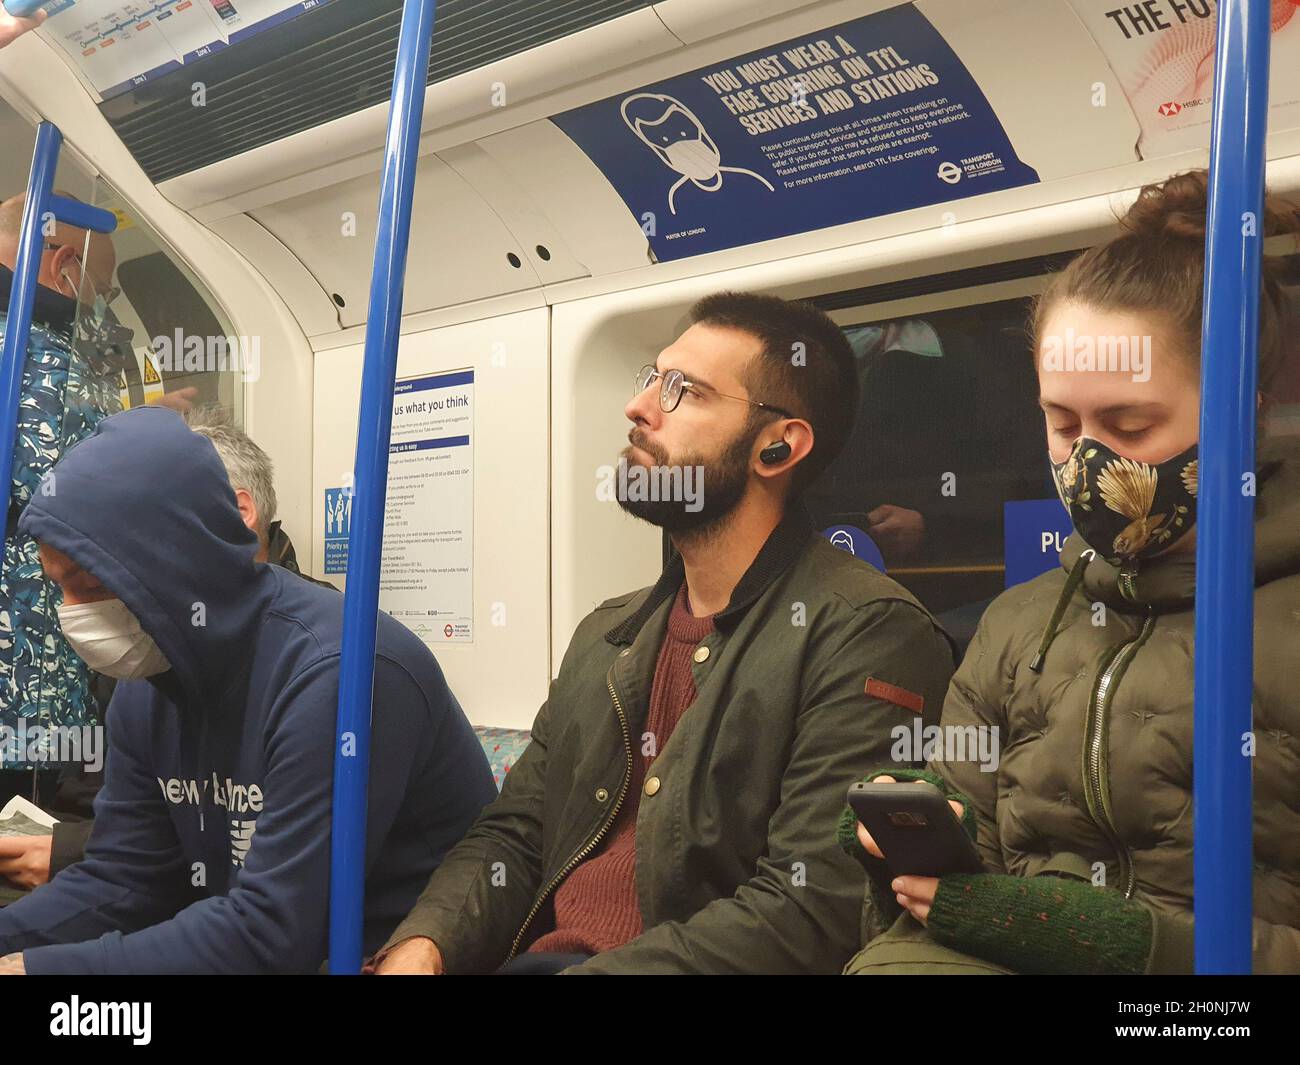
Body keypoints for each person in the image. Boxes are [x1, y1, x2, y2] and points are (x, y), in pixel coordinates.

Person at [374, 290, 957, 975]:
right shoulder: (609, 634)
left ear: (778, 446)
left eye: (684, 390)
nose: (641, 405)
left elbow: (809, 910)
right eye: (650, 376)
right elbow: (518, 834)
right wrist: (423, 946)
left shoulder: (864, 632)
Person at [840, 170, 1300, 975]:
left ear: (1243, 409)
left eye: (1129, 423)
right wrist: (908, 863)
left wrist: (1135, 947)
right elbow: (964, 875)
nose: (1088, 461)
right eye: (1062, 425)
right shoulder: (1017, 624)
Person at [0, 405, 496, 974]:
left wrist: (37, 971)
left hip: (384, 954)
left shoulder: (337, 670)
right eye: (59, 588)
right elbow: (124, 880)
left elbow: (273, 931)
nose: (74, 614)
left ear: (171, 563)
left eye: (89, 585)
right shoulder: (148, 680)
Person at [0, 408, 333, 890]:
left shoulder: (319, 652)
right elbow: (125, 824)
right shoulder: (146, 652)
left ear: (236, 513)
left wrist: (73, 853)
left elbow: (268, 901)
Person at [0, 192, 195, 809]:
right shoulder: (47, 360)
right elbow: (79, 500)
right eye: (103, 289)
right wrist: (144, 432)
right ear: (63, 268)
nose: (101, 307)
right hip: (26, 696)